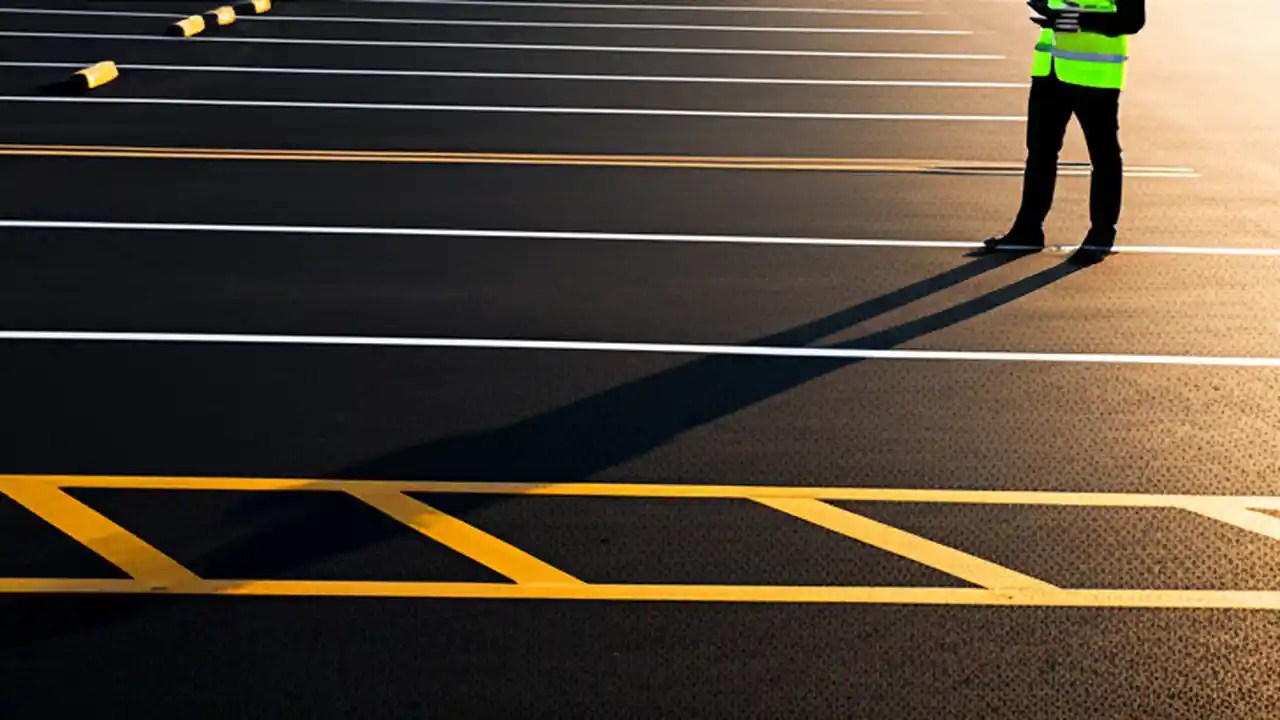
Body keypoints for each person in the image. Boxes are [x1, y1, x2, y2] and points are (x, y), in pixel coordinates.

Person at [985, 0, 1147, 264]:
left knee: (1103, 154)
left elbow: (1133, 20)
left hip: (1094, 72)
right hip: (1049, 66)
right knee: (1040, 151)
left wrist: (1078, 21)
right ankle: (1028, 229)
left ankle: (1101, 235)